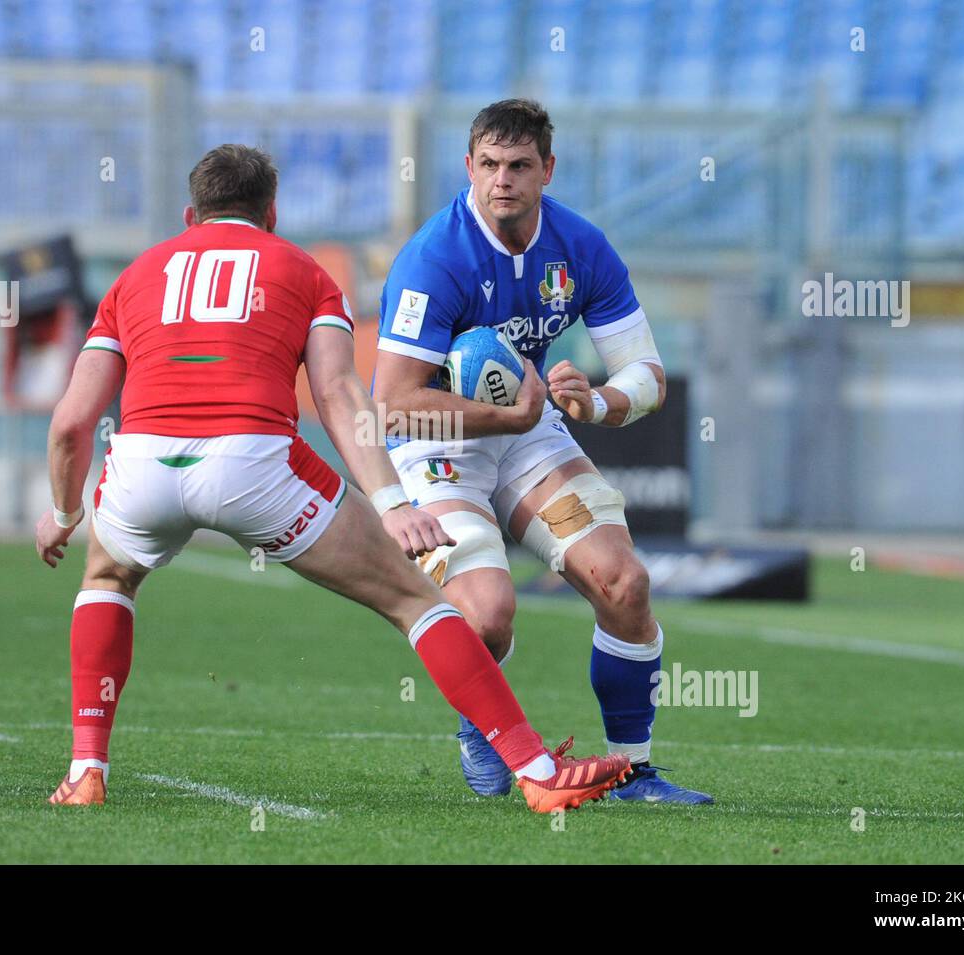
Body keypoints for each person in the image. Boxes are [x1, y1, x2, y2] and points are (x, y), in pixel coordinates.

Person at [34, 144, 630, 813]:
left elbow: (71, 422)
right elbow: (342, 396)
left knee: (107, 579)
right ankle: (537, 769)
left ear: (188, 215)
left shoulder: (134, 276)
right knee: (419, 600)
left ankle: (87, 768)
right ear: (272, 212)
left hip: (142, 460)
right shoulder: (304, 271)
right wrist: (391, 503)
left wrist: (62, 512)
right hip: (254, 461)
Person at [373, 100, 713, 804]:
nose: (504, 180)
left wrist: (596, 402)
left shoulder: (581, 247)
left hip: (527, 431)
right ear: (468, 167)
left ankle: (632, 770)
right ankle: (483, 722)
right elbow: (394, 402)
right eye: (490, 165)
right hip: (441, 441)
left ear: (547, 170)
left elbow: (645, 375)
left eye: (520, 166)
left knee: (624, 582)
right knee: (487, 614)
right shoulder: (435, 256)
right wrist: (503, 413)